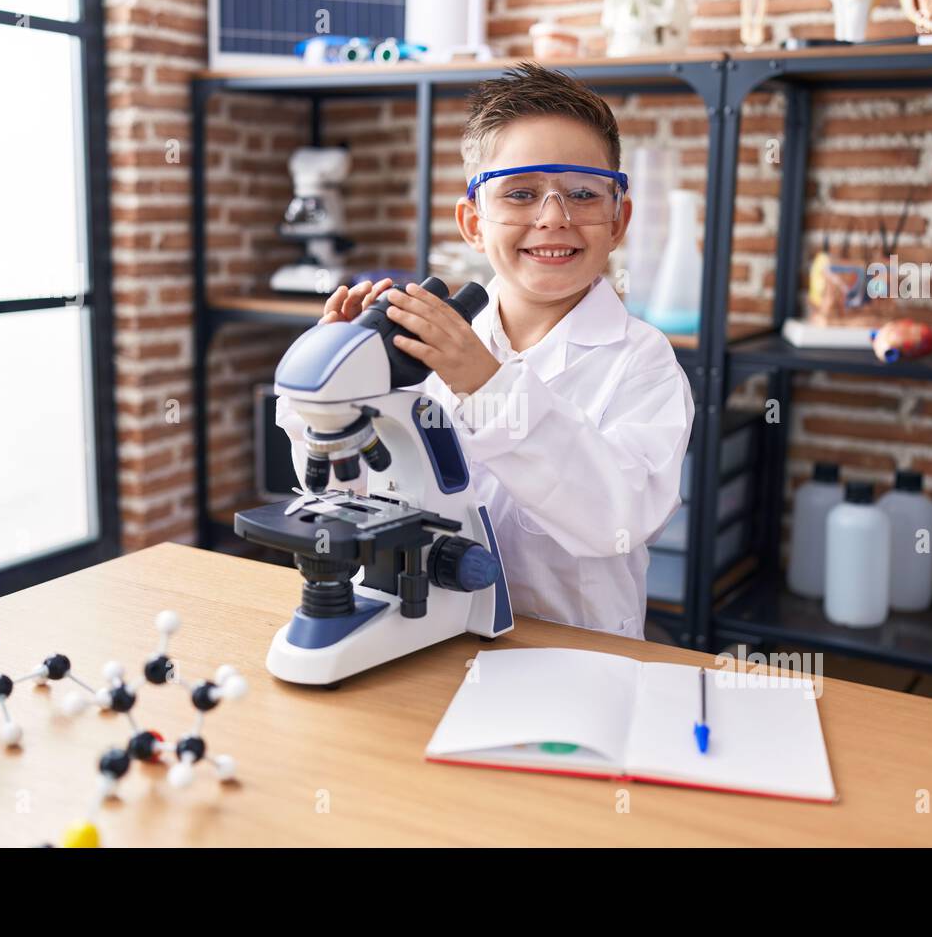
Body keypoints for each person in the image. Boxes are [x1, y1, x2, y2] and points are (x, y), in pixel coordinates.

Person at [278, 62, 695, 639]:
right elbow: (345, 495)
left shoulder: (642, 362)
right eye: (521, 194)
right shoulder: (421, 341)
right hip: (425, 633)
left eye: (581, 193)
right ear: (473, 223)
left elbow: (618, 518)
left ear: (618, 219)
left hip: (573, 651)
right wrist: (342, 393)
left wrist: (488, 386)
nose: (554, 217)